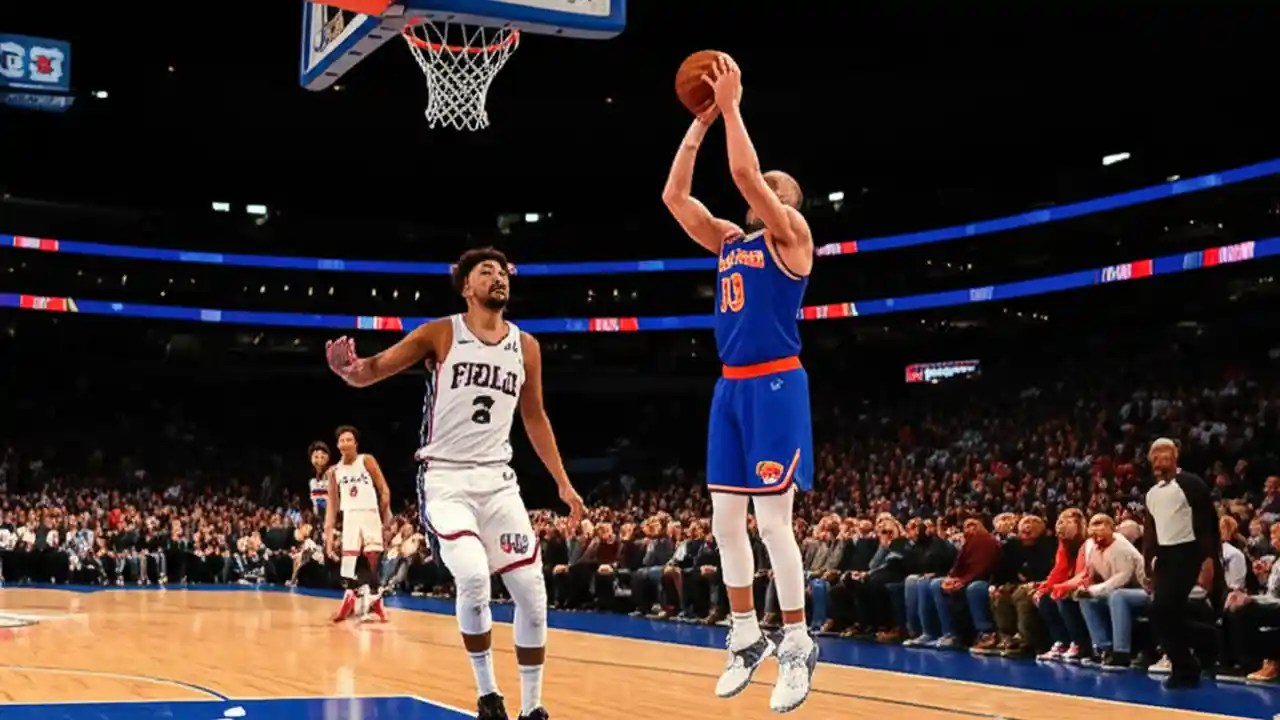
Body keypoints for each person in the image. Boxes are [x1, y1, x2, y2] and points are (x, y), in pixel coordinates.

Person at [324, 247, 585, 720]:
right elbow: (375, 368)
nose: (498, 278)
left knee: (532, 592)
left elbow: (534, 416)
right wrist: (350, 371)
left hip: (499, 481)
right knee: (473, 576)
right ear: (466, 286)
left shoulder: (526, 346)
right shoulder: (441, 333)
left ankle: (533, 707)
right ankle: (488, 695)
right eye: (486, 272)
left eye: (502, 272)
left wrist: (563, 485)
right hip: (446, 478)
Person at [661, 54, 818, 713]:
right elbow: (674, 198)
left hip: (776, 384)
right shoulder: (729, 239)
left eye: (775, 187)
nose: (762, 187)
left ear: (786, 202)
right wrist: (700, 123)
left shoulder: (793, 236)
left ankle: (798, 644)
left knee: (773, 524)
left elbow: (746, 175)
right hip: (730, 387)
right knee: (725, 523)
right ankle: (747, 635)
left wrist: (731, 106)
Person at [1142, 437, 1223, 688]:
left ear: (1175, 457)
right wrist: (1148, 564)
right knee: (1163, 613)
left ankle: (1185, 665)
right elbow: (1151, 532)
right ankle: (1204, 642)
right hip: (1165, 556)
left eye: (1165, 455)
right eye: (1155, 456)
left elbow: (1208, 524)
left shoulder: (1191, 483)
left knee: (1162, 610)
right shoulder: (1152, 493)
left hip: (1189, 552)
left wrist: (1209, 560)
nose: (1160, 460)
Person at [323, 425, 391, 623]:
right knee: (349, 562)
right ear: (337, 445)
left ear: (356, 443)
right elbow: (332, 505)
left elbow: (384, 489)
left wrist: (385, 515)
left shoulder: (366, 460)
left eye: (349, 440)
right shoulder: (334, 471)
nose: (345, 443)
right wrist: (329, 533)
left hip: (370, 512)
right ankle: (362, 598)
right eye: (342, 440)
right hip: (350, 515)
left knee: (372, 556)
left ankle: (368, 599)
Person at [307, 440, 331, 518]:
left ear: (328, 458)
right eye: (316, 457)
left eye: (322, 457)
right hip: (318, 517)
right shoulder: (311, 481)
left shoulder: (332, 475)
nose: (319, 460)